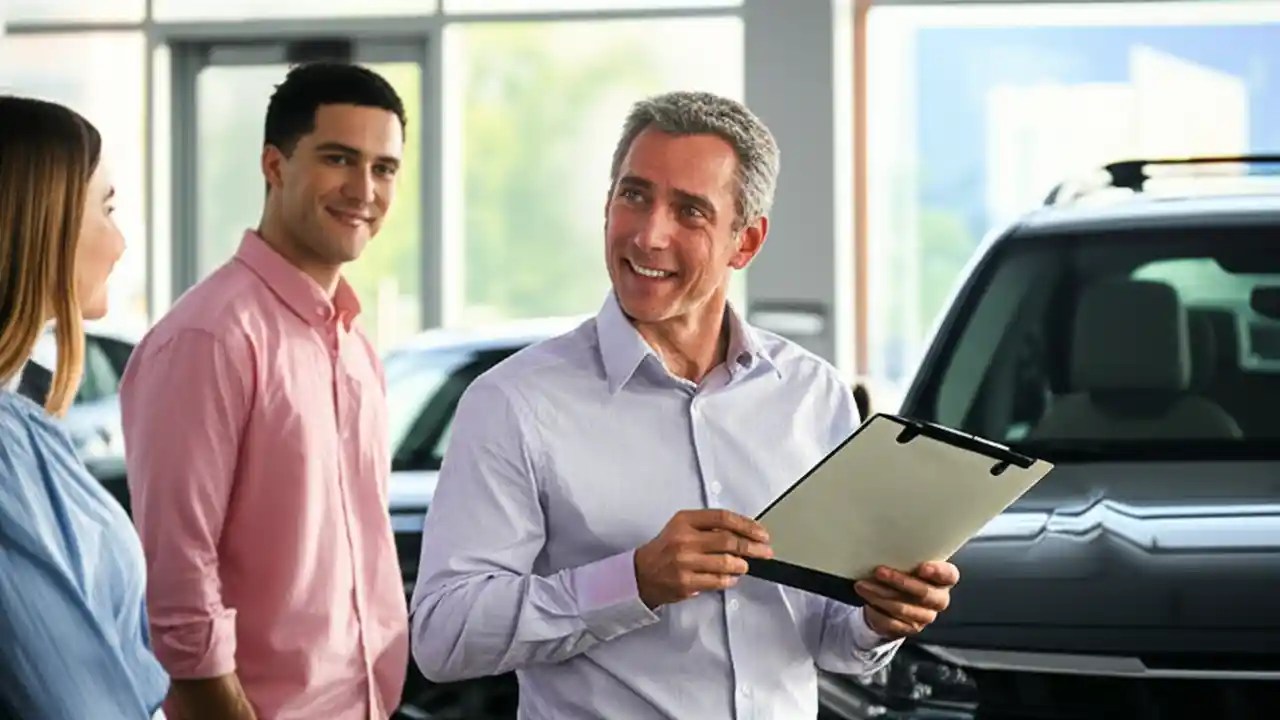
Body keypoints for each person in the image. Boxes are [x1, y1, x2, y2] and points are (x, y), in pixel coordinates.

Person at [409, 91, 961, 718]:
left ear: (744, 242)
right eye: (634, 195)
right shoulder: (513, 403)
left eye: (690, 210)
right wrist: (634, 581)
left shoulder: (815, 396)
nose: (649, 235)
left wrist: (878, 619)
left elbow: (830, 641)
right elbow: (443, 637)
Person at [119, 63, 410, 720]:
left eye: (384, 168)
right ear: (274, 166)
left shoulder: (356, 346)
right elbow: (176, 575)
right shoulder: (209, 338)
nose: (364, 189)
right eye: (339, 159)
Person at [0, 95, 169, 719]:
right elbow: (64, 695)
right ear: (41, 219)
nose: (120, 241)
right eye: (107, 207)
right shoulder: (6, 445)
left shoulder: (26, 417)